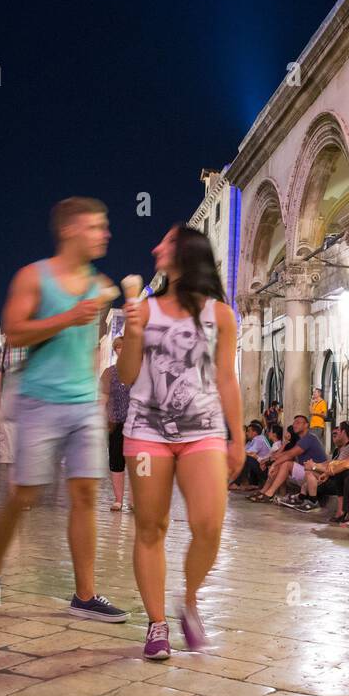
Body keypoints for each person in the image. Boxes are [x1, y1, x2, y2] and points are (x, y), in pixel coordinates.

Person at [0, 197, 128, 625]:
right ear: (70, 230)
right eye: (96, 227)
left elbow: (90, 347)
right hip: (40, 400)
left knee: (85, 495)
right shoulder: (34, 277)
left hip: (83, 405)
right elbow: (14, 333)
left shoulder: (101, 286)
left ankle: (85, 594)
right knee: (24, 495)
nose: (105, 234)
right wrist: (69, 317)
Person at [118, 224, 243, 659]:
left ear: (187, 254)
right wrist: (132, 333)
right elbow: (128, 375)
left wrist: (237, 437)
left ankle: (189, 599)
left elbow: (227, 377)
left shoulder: (220, 315)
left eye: (166, 242)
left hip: (204, 431)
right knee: (151, 526)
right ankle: (156, 624)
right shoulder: (144, 310)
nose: (155, 247)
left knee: (209, 524)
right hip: (147, 432)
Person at [248, 414, 326, 504]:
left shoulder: (309, 438)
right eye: (294, 423)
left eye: (298, 423)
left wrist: (273, 463)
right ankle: (263, 492)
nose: (295, 425)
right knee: (281, 463)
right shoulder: (300, 440)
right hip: (306, 472)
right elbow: (285, 454)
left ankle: (269, 494)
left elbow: (289, 454)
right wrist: (268, 461)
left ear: (306, 425)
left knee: (286, 464)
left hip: (317, 474)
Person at [299, 420, 349, 519]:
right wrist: (322, 469)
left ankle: (312, 502)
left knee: (342, 476)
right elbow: (334, 464)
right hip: (335, 479)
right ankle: (303, 498)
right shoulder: (340, 449)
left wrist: (314, 466)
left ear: (343, 432)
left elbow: (339, 466)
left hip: (341, 481)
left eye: (337, 432)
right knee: (309, 478)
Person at [99, 336, 132, 510]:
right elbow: (102, 399)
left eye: (124, 347)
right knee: (116, 461)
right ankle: (118, 499)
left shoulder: (139, 372)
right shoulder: (109, 373)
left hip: (136, 425)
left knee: (135, 463)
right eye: (118, 347)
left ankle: (134, 501)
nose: (121, 350)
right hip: (115, 424)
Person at [0, 343, 27, 464]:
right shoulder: (5, 348)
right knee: (11, 465)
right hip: (9, 413)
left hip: (34, 412)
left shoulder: (40, 342)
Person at [229, 420, 270, 490]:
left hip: (265, 468)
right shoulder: (252, 440)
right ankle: (243, 483)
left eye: (248, 431)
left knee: (245, 458)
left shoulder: (259, 439)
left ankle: (236, 483)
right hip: (260, 466)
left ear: (254, 433)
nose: (246, 433)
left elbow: (250, 453)